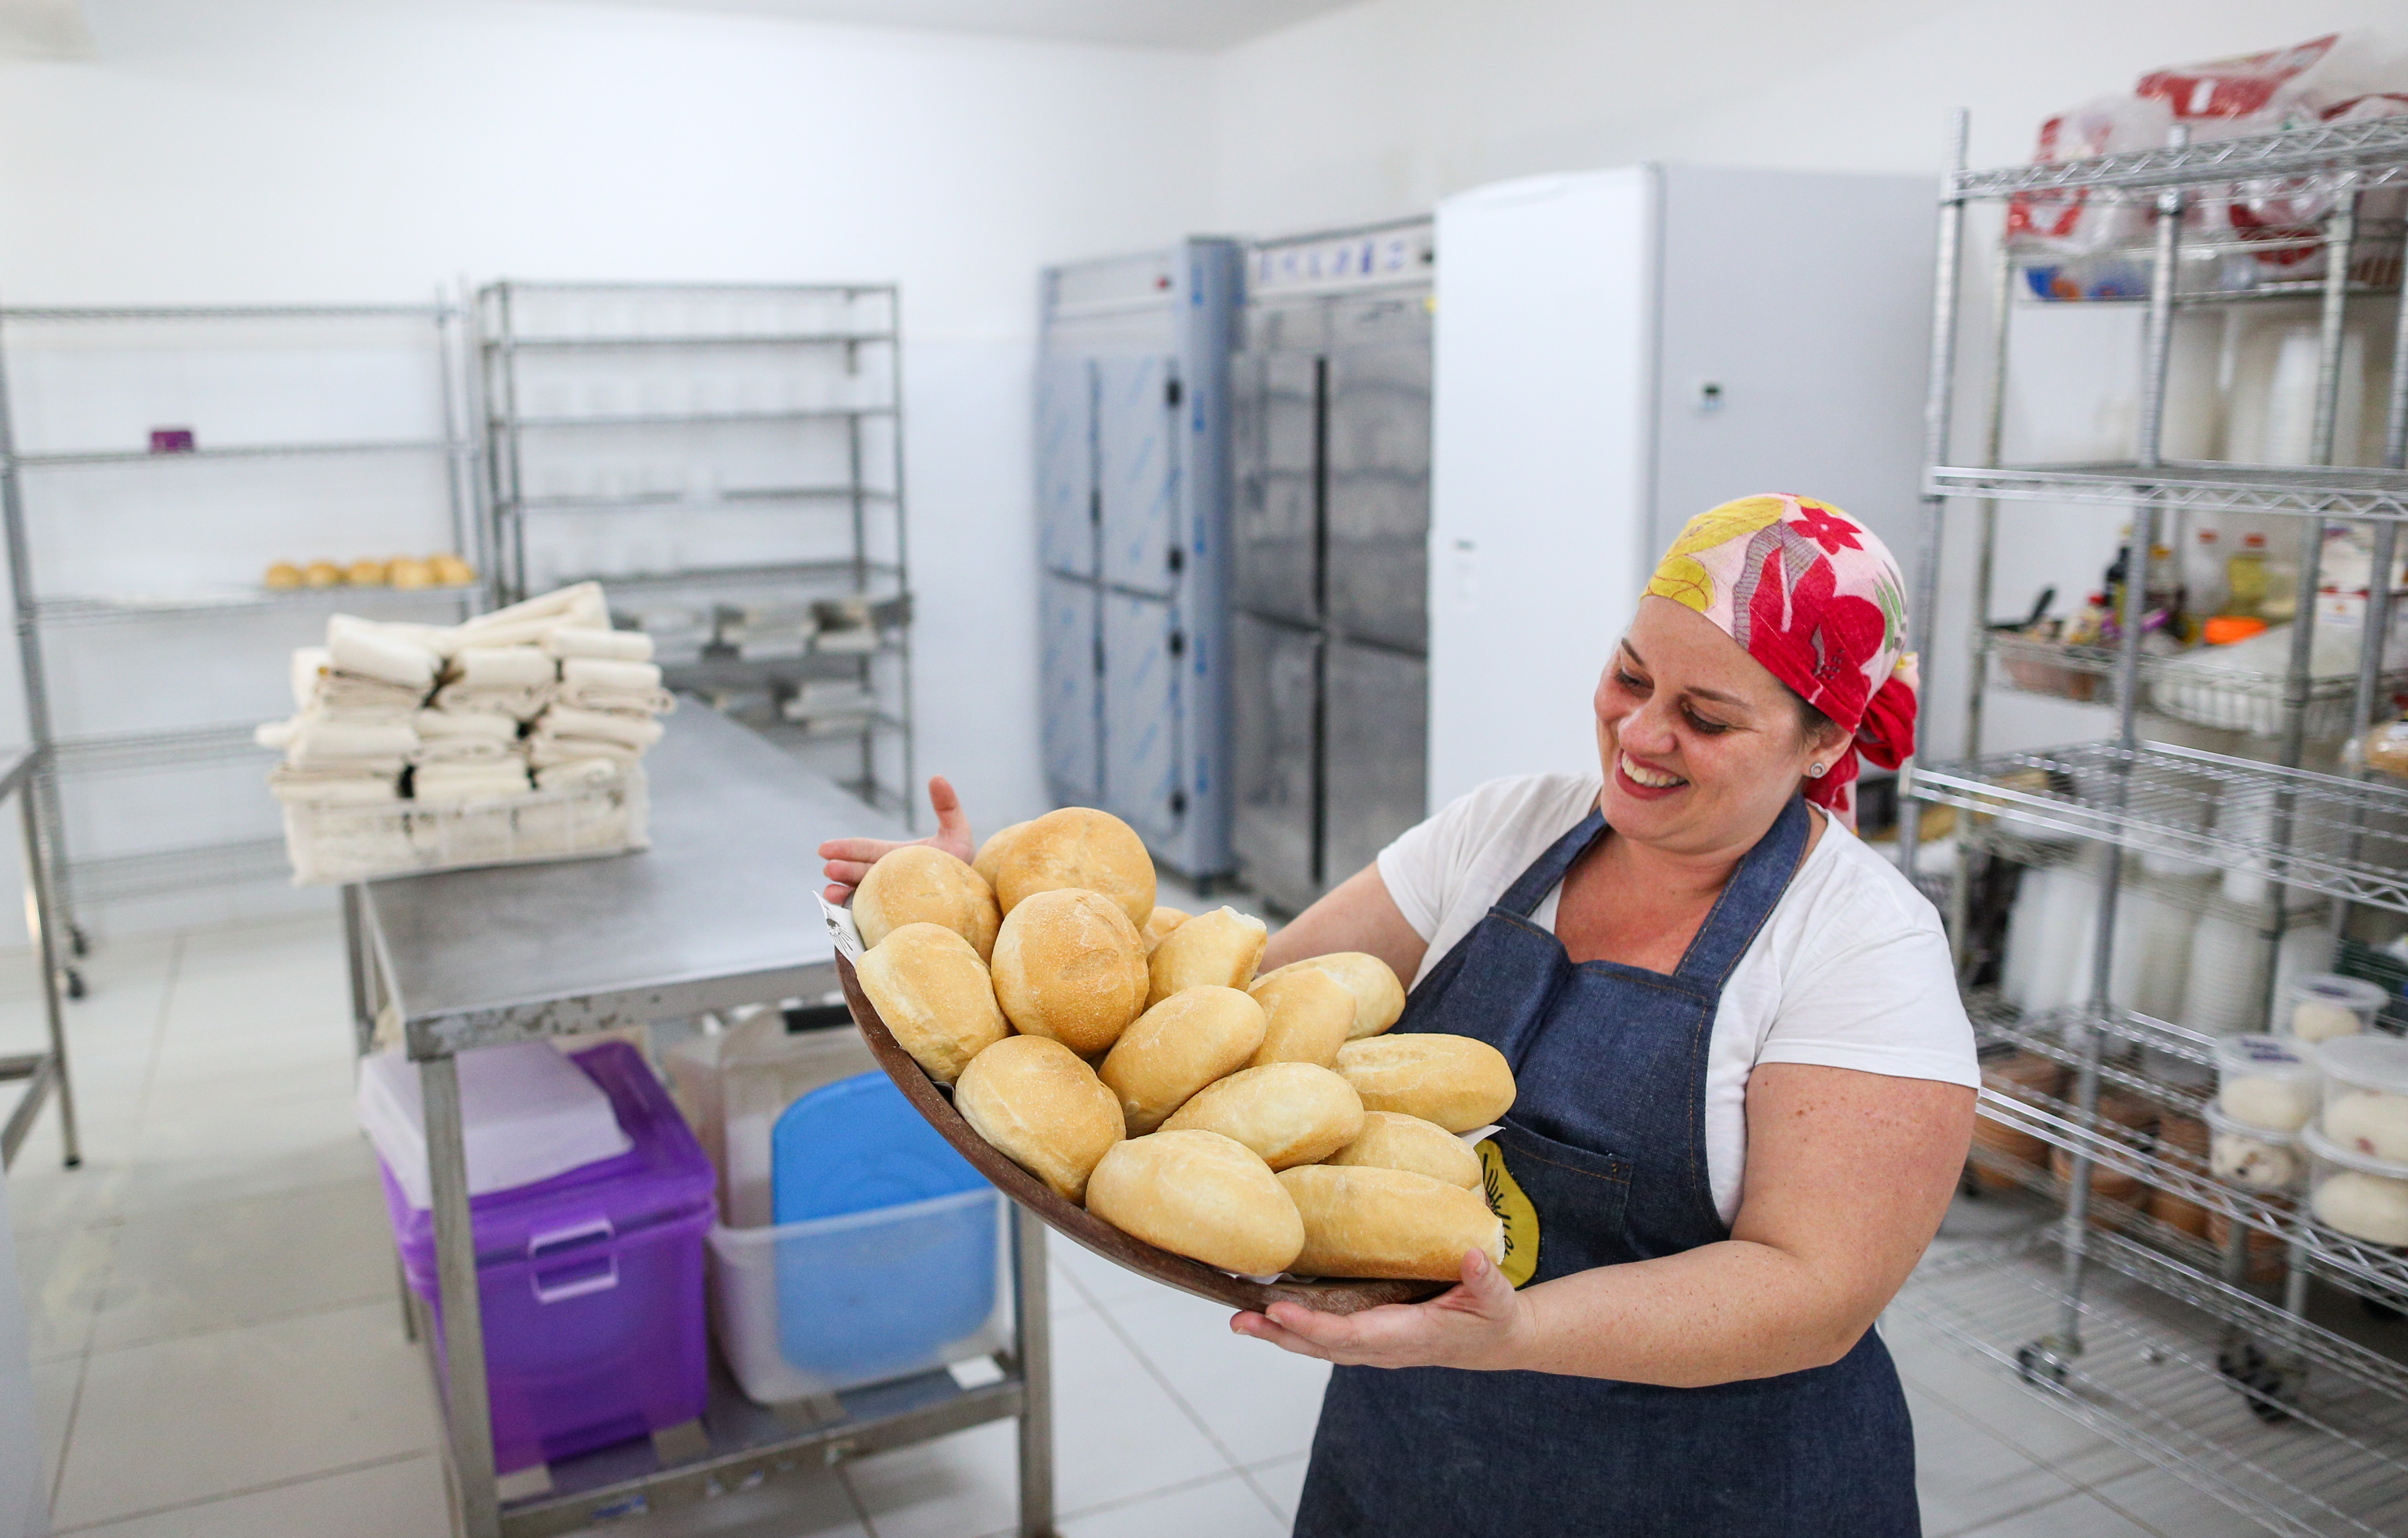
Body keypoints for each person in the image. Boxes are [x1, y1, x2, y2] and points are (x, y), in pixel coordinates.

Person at [820, 493, 1977, 1536]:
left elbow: (1814, 1292)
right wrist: (993, 909)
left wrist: (1520, 1332)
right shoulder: (1509, 828)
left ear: (1825, 739)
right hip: (1418, 1452)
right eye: (1630, 676)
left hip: (1713, 1488)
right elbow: (1240, 994)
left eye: (1707, 717)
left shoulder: (1861, 942)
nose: (1639, 733)